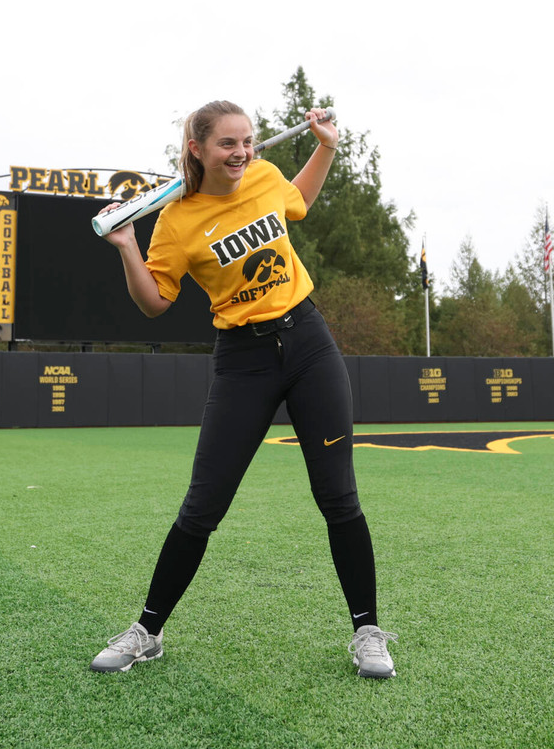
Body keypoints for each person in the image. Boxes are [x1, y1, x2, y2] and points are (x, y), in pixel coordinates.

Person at [88, 101, 397, 679]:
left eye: (248, 141)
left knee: (339, 496)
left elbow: (297, 201)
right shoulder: (176, 219)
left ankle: (368, 632)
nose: (242, 153)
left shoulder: (263, 176)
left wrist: (325, 145)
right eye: (228, 144)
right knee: (202, 506)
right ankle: (147, 631)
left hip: (307, 342)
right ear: (198, 149)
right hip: (243, 360)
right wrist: (129, 247)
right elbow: (155, 302)